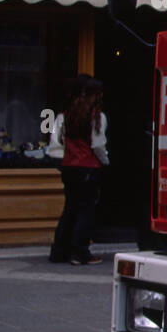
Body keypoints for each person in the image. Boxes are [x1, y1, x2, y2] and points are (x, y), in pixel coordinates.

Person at [47, 76, 108, 265]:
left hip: (69, 166)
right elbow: (98, 145)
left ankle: (59, 251)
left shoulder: (65, 115)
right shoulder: (97, 117)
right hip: (88, 167)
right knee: (86, 211)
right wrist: (105, 161)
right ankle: (79, 252)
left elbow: (57, 141)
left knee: (70, 209)